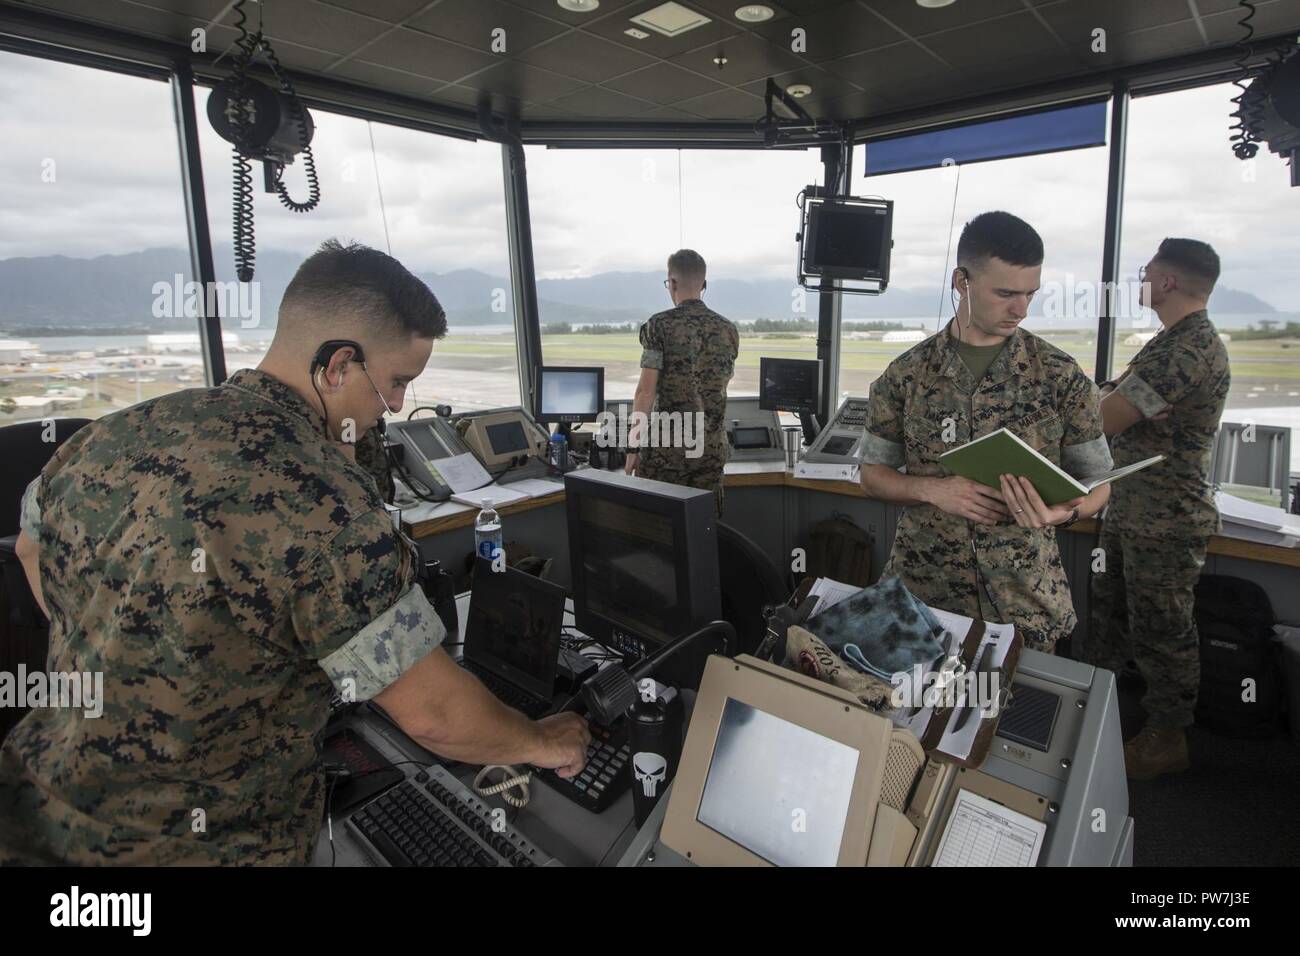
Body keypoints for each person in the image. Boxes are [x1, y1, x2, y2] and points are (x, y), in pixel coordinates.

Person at [2, 239, 589, 865]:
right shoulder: (325, 506)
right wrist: (538, 741)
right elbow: (435, 715)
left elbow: (33, 550)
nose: (393, 406)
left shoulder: (112, 433)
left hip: (36, 807)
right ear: (338, 365)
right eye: (395, 383)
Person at [858, 211, 1112, 651]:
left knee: (1014, 717)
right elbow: (872, 474)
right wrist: (932, 490)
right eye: (1005, 293)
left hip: (1023, 603)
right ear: (961, 282)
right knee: (916, 715)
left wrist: (1065, 514)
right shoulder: (905, 376)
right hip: (925, 597)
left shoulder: (1059, 376)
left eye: (1031, 294)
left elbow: (1098, 483)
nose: (1021, 309)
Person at [1088, 238, 1231, 780]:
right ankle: (1099, 714)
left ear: (1168, 281)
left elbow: (1106, 417)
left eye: (1147, 270)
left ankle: (1166, 738)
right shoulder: (1169, 342)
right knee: (1114, 617)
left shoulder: (1186, 352)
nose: (1141, 276)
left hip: (1166, 517)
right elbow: (1111, 393)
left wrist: (1098, 402)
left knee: (1162, 629)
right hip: (1133, 507)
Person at [625, 249, 739, 514]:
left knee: (662, 537)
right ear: (704, 284)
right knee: (704, 533)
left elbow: (645, 392)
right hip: (709, 454)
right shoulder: (728, 329)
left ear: (672, 283)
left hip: (667, 456)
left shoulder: (658, 326)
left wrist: (632, 447)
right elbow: (717, 386)